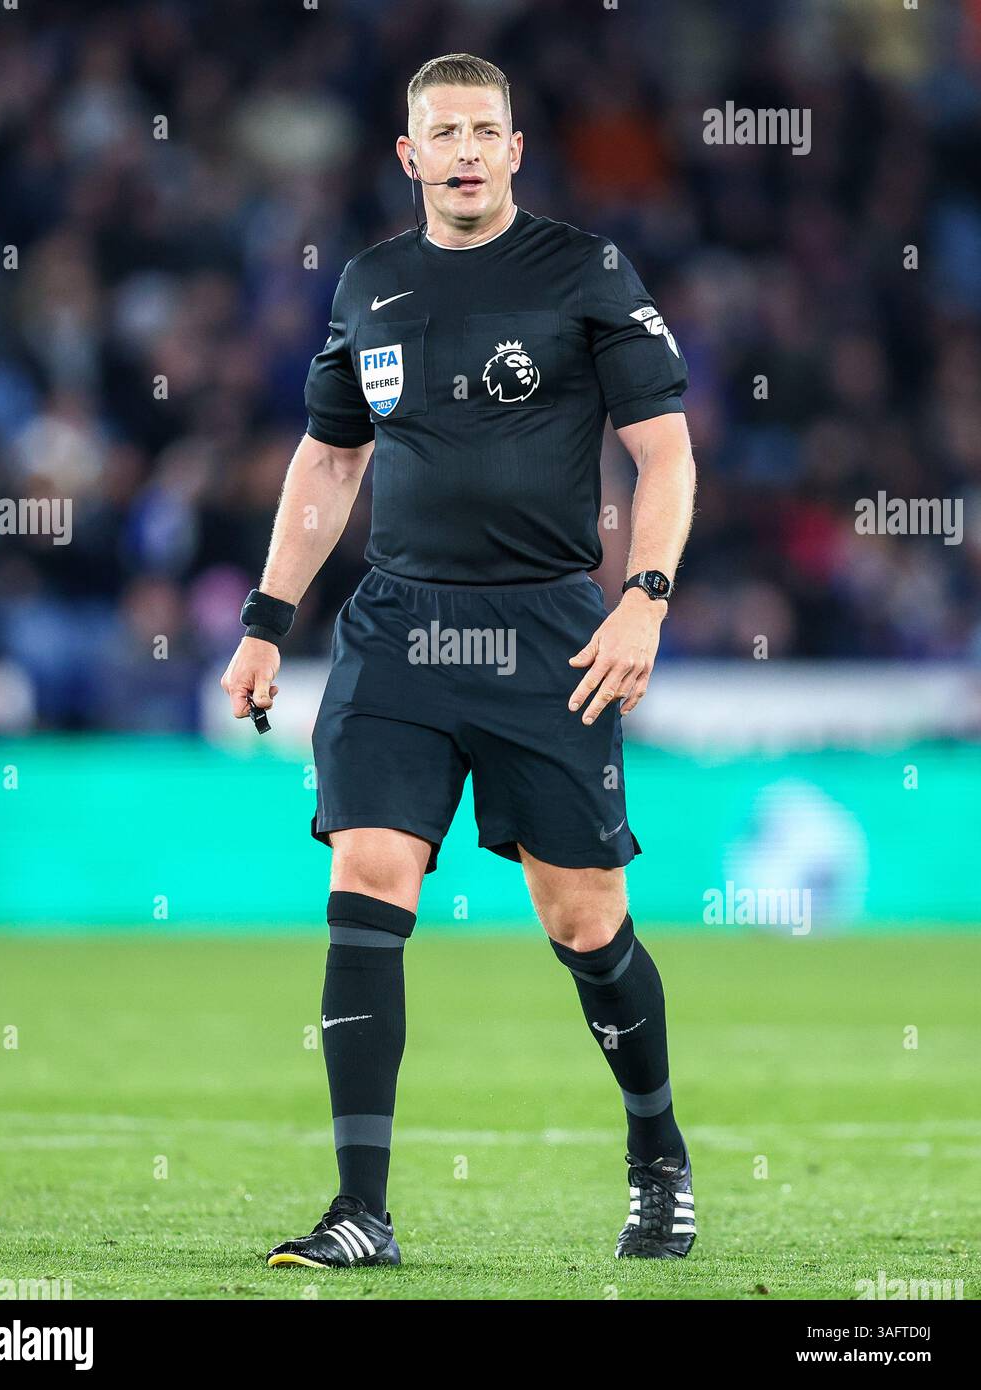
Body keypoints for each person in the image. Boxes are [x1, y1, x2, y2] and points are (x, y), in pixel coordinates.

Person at [220, 53, 697, 1267]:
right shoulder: (369, 285)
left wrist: (642, 598)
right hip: (398, 631)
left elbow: (666, 454)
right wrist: (267, 619)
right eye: (446, 131)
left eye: (488, 128)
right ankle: (361, 1210)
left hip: (551, 633)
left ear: (517, 148)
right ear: (410, 155)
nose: (469, 149)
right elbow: (329, 466)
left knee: (584, 922)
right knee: (369, 872)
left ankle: (657, 1151)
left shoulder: (585, 271)